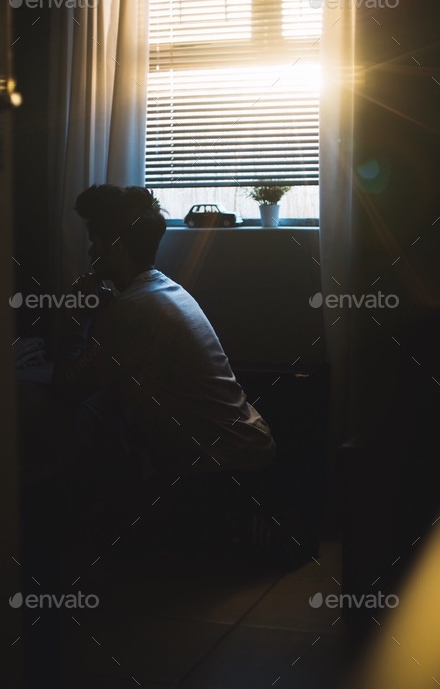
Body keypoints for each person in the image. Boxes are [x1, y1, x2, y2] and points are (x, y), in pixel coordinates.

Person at [52, 184, 275, 480]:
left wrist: (77, 316)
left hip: (224, 469)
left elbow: (67, 388)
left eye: (95, 243)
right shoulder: (162, 289)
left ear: (116, 248)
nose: (90, 252)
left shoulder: (134, 309)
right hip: (247, 447)